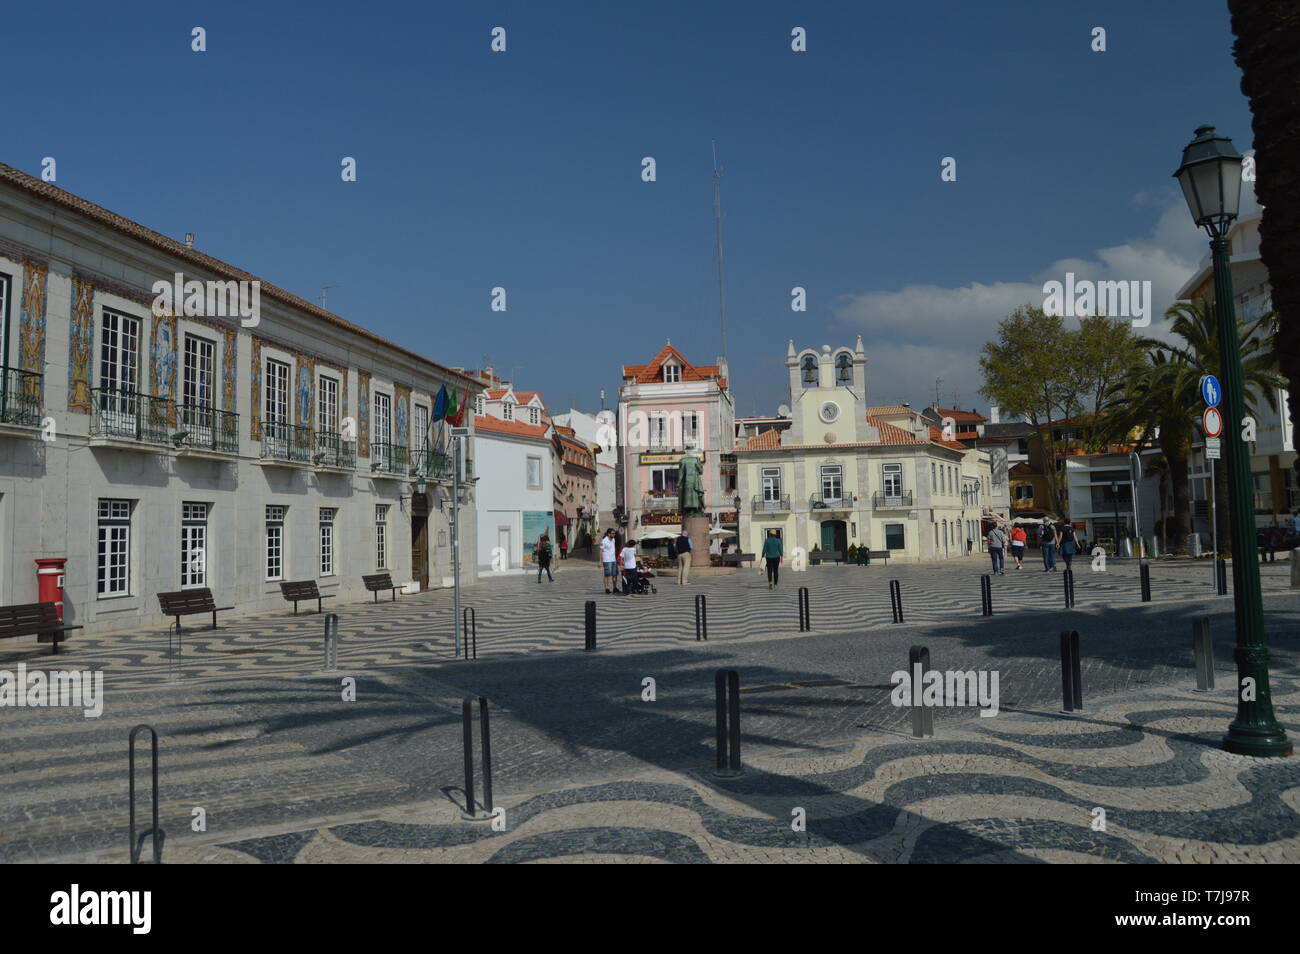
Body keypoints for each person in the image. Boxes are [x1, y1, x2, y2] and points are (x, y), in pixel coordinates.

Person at [599, 528, 618, 594]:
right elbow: (601, 551)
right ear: (608, 534)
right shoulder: (604, 541)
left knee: (615, 574)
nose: (614, 534)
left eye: (614, 533)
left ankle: (615, 588)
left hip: (613, 560)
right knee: (607, 575)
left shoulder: (613, 540)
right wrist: (600, 562)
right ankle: (607, 588)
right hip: (607, 560)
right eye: (612, 533)